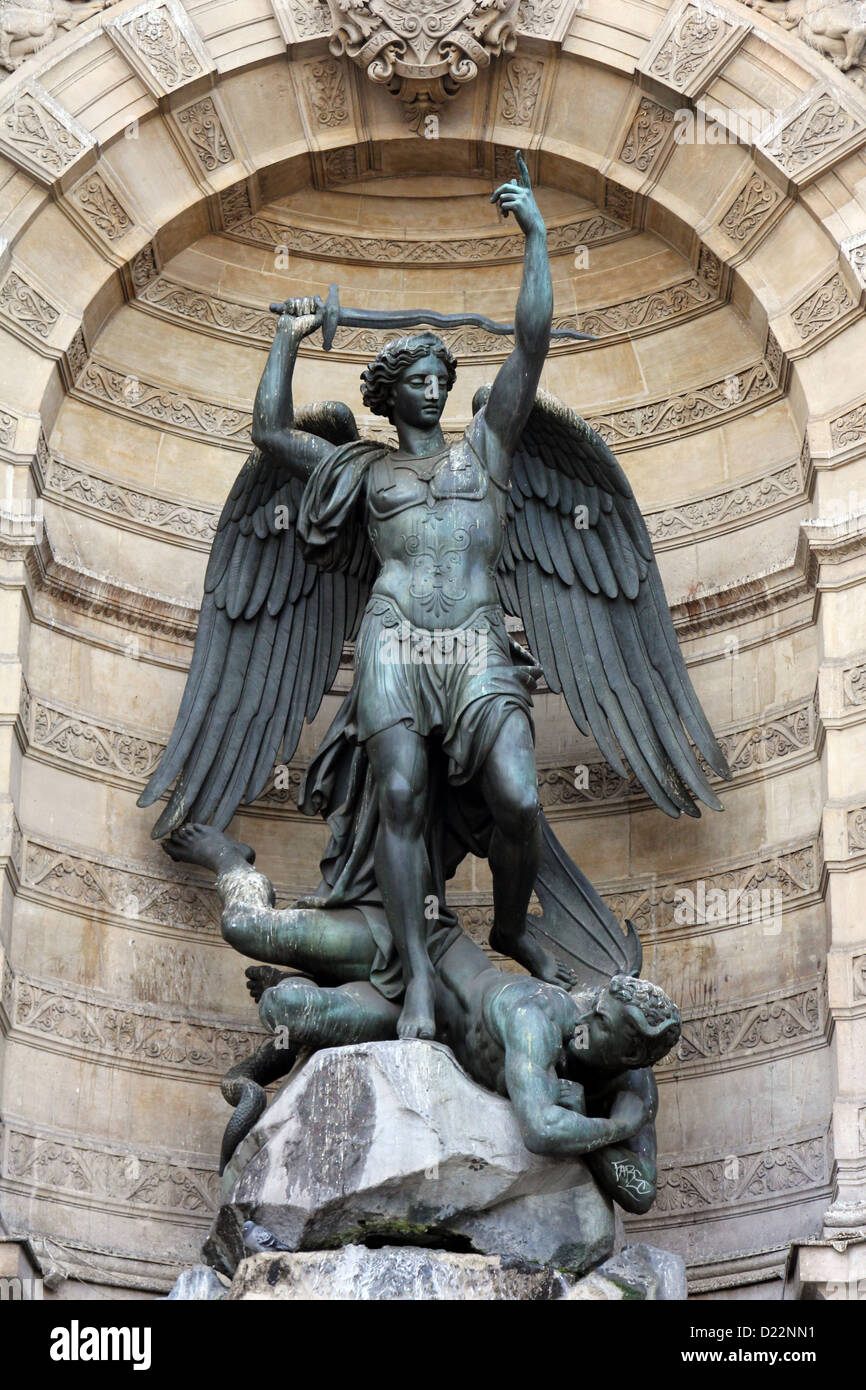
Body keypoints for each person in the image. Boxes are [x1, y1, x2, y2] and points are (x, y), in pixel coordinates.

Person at [166, 823, 680, 1210]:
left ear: (633, 1052)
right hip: (416, 947)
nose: (585, 1017)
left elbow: (641, 1193)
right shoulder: (538, 1015)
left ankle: (301, 991)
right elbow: (542, 1129)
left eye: (602, 1023)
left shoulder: (634, 1083)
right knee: (245, 927)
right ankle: (231, 859)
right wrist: (608, 1127)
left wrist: (593, 1123)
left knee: (284, 1011)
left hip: (415, 1022)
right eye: (597, 1006)